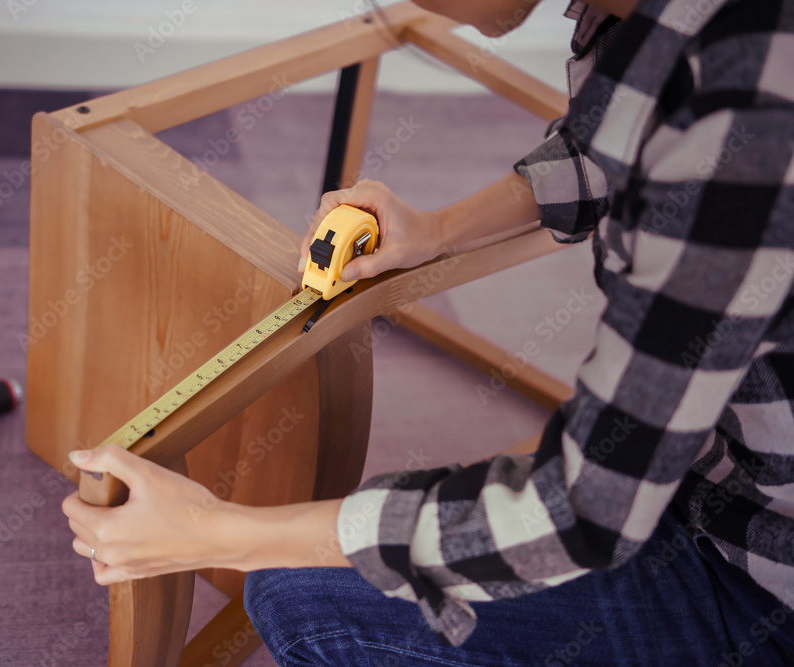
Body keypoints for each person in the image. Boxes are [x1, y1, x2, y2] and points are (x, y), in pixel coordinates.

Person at [61, 0, 794, 663]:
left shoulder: (740, 121)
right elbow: (604, 152)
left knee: (296, 596)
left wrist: (216, 531)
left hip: (764, 577)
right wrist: (435, 231)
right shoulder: (658, 22)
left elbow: (582, 513)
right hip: (721, 471)